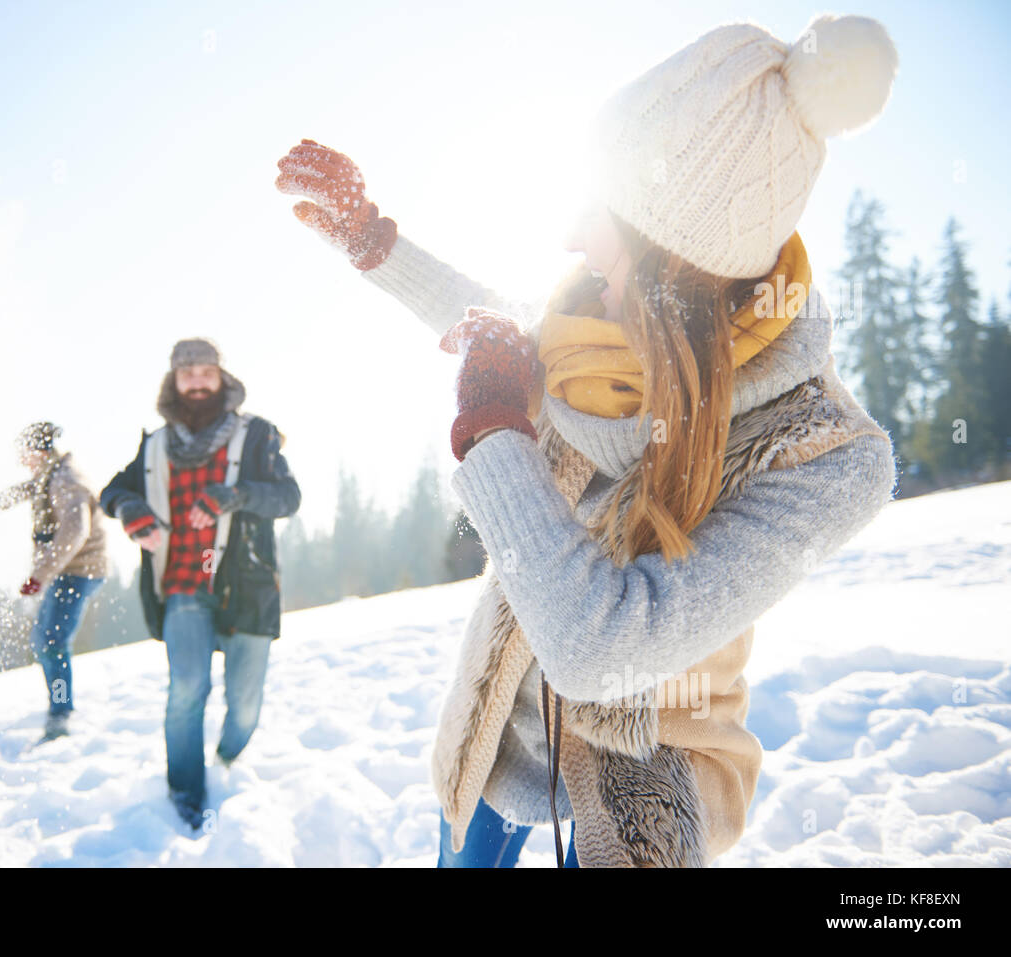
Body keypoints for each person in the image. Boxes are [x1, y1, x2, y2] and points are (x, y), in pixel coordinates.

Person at [277, 14, 900, 867]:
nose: (571, 236)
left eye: (600, 211)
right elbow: (488, 315)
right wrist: (372, 242)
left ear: (671, 250)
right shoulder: (591, 330)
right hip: (503, 719)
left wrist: (493, 432)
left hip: (647, 770)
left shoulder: (822, 454)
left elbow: (599, 655)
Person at [100, 338, 300, 831]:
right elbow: (113, 491)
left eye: (204, 371)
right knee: (187, 687)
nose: (195, 380)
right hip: (185, 583)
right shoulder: (155, 445)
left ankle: (228, 763)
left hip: (246, 585)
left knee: (246, 703)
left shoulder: (256, 436)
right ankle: (185, 791)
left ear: (221, 377)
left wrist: (232, 496)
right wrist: (130, 509)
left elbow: (287, 498)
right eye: (185, 372)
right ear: (173, 381)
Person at [0, 422, 108, 740]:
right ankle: (59, 705)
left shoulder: (68, 481)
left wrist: (40, 575)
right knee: (44, 640)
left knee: (51, 642)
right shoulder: (49, 475)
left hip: (78, 573)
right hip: (68, 572)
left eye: (25, 454)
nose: (22, 461)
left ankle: (61, 712)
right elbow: (13, 495)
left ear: (39, 451)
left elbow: (75, 533)